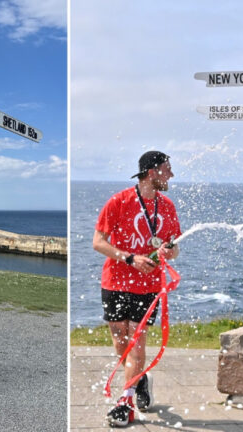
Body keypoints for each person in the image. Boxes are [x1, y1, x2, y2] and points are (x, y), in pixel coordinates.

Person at [93, 151, 182, 427]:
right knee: (121, 342)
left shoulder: (167, 207)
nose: (171, 175)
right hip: (115, 282)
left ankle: (125, 403)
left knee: (136, 343)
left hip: (148, 286)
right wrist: (130, 258)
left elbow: (175, 248)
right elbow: (98, 242)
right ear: (152, 172)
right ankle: (140, 379)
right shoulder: (119, 202)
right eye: (167, 169)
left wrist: (168, 251)